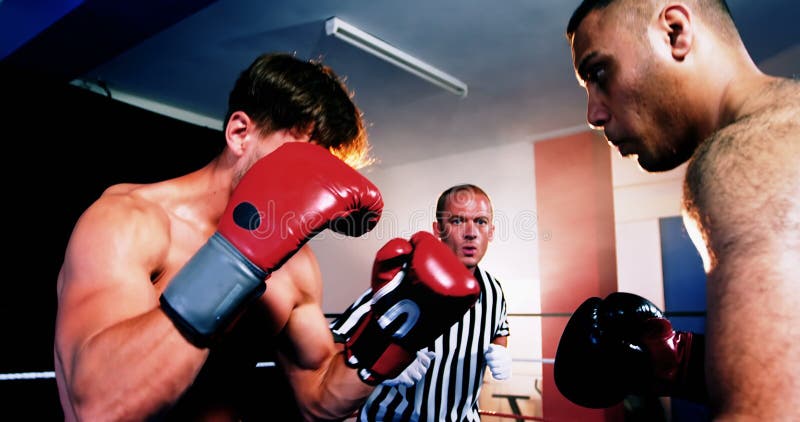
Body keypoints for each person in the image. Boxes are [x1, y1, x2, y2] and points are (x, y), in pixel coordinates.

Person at [54, 52, 481, 421]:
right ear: (240, 133)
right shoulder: (128, 222)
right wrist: (238, 259)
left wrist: (389, 334)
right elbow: (100, 409)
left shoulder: (296, 266)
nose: (309, 185)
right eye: (300, 162)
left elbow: (319, 399)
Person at [554, 0, 800, 420]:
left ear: (674, 32)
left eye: (599, 73)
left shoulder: (747, 155)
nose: (593, 114)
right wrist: (678, 362)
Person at [331, 184, 512, 421]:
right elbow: (336, 339)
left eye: (481, 221)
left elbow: (499, 331)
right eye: (457, 221)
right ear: (438, 230)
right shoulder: (406, 278)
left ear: (491, 231)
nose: (471, 232)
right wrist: (383, 366)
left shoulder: (494, 290)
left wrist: (501, 352)